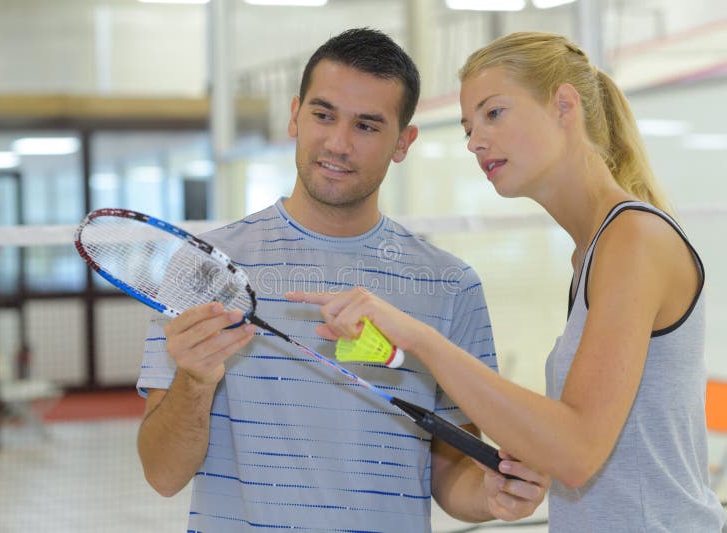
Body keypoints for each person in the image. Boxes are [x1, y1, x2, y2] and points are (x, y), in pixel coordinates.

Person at [288, 31, 726, 532]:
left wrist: (416, 338)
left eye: (493, 113)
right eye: (469, 126)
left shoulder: (633, 239)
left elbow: (576, 450)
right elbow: (570, 443)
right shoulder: (594, 252)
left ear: (564, 105)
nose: (475, 140)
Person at [136, 28, 548, 532]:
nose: (338, 143)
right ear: (295, 115)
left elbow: (450, 472)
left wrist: (489, 495)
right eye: (323, 115)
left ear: (403, 142)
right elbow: (161, 474)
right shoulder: (204, 267)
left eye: (367, 126)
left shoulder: (449, 286)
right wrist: (194, 383)